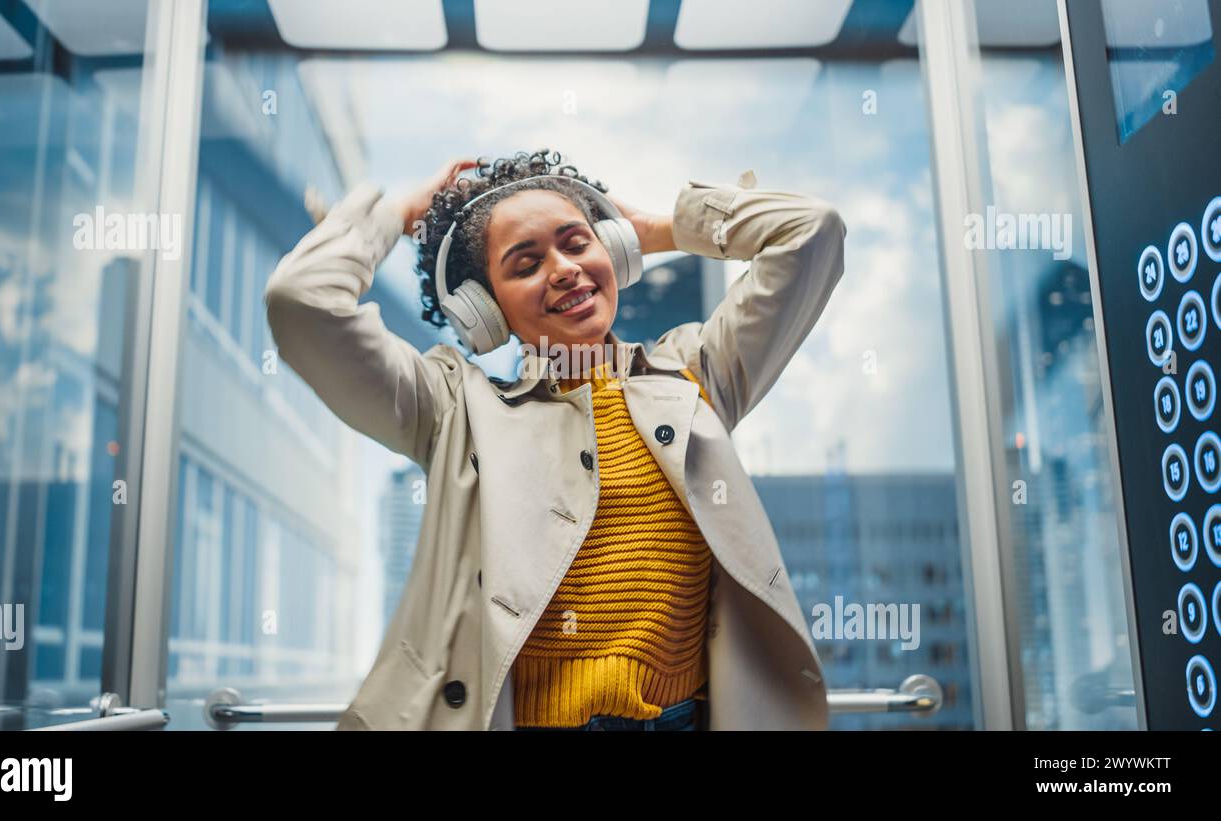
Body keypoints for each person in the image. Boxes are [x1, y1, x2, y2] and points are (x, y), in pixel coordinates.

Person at [264, 148, 847, 730]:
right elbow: (302, 301)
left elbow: (811, 233)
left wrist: (659, 230)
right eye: (525, 264)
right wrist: (399, 212)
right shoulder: (451, 408)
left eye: (576, 243)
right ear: (484, 311)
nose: (565, 268)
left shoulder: (696, 374)